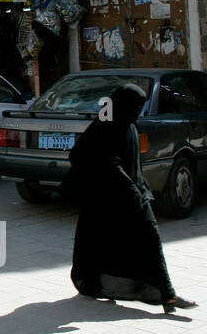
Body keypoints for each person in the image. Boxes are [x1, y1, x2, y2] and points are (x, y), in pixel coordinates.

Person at [63, 84, 196, 313]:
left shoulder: (125, 122)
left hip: (129, 192)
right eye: (135, 105)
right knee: (144, 238)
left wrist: (140, 185)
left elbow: (131, 161)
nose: (138, 110)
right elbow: (97, 158)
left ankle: (163, 293)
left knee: (123, 240)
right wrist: (130, 188)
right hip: (112, 195)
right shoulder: (107, 126)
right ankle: (166, 294)